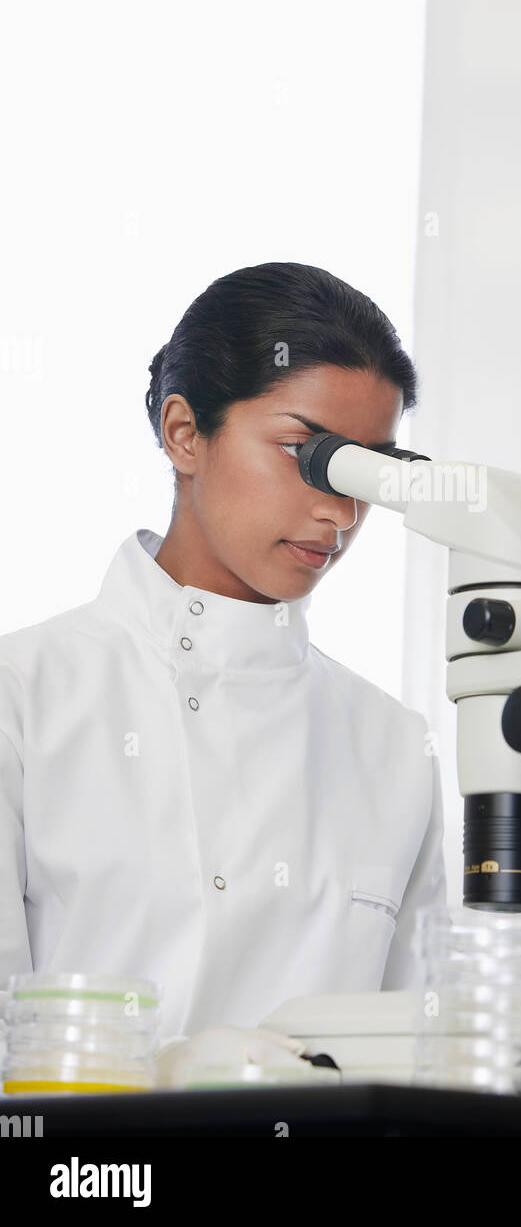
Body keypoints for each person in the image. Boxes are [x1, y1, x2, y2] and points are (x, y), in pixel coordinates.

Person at [0, 262, 448, 1041]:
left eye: (367, 469)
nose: (338, 509)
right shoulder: (25, 698)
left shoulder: (394, 748)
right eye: (303, 451)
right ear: (185, 433)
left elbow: (418, 1052)